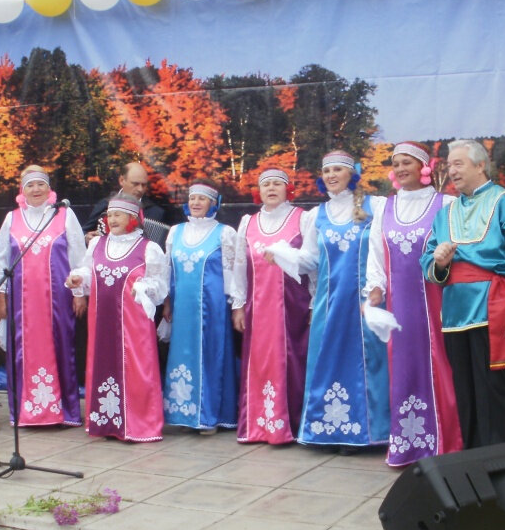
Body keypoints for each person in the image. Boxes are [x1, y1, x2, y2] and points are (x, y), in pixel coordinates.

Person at [422, 139, 505, 448]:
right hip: (454, 315)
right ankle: (474, 467)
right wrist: (439, 261)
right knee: (464, 393)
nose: (452, 171)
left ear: (480, 165)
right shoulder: (445, 213)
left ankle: (501, 467)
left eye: (458, 164)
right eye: (449, 165)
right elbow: (427, 261)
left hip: (492, 310)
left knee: (493, 392)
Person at [364, 141, 462, 467]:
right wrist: (375, 289)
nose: (401, 168)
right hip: (399, 307)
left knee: (439, 365)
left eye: (407, 162)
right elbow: (376, 255)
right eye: (396, 163)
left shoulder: (445, 204)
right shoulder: (385, 208)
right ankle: (407, 445)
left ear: (423, 167)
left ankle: (443, 443)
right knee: (402, 370)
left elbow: (456, 253)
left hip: (436, 303)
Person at [294, 151, 389, 452]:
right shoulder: (315, 216)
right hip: (328, 302)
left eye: (338, 169)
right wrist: (283, 255)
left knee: (367, 362)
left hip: (363, 301)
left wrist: (377, 288)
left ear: (352, 174)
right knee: (327, 360)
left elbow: (383, 251)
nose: (331, 175)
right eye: (327, 171)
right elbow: (309, 259)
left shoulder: (377, 206)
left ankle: (366, 434)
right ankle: (327, 431)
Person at [68, 194, 168, 442]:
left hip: (133, 325)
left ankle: (139, 423)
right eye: (109, 215)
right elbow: (88, 272)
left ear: (133, 218)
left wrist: (145, 288)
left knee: (136, 367)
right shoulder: (97, 245)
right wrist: (79, 279)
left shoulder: (149, 248)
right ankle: (108, 421)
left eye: (118, 214)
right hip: (102, 321)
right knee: (103, 361)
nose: (112, 219)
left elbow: (160, 284)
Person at [0, 165, 86, 428]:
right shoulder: (11, 218)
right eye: (30, 185)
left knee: (62, 348)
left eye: (40, 185)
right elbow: (1, 261)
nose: (36, 190)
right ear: (22, 191)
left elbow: (79, 258)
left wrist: (79, 293)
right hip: (22, 306)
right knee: (23, 352)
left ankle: (64, 411)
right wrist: (1, 296)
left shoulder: (65, 216)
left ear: (50, 189)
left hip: (58, 300)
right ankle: (25, 411)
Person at [230, 169, 311, 445]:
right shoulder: (248, 223)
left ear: (288, 189)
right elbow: (239, 267)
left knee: (291, 361)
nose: (271, 188)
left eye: (277, 183)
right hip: (258, 308)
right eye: (266, 184)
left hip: (292, 306)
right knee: (259, 362)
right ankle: (258, 424)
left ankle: (291, 425)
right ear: (258, 191)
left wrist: (313, 300)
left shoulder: (302, 219)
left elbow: (312, 264)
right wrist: (238, 305)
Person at [162, 180, 239, 434]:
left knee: (210, 355)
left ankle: (209, 415)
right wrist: (167, 301)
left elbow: (232, 274)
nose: (195, 203)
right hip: (183, 308)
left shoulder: (225, 233)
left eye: (202, 199)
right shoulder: (176, 231)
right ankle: (184, 412)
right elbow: (167, 270)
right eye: (192, 198)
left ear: (213, 204)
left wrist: (234, 304)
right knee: (183, 354)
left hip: (212, 308)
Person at [83, 162, 185, 249]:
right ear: (122, 180)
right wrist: (86, 237)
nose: (140, 189)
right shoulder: (105, 205)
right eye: (135, 184)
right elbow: (83, 232)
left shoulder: (155, 211)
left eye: (144, 185)